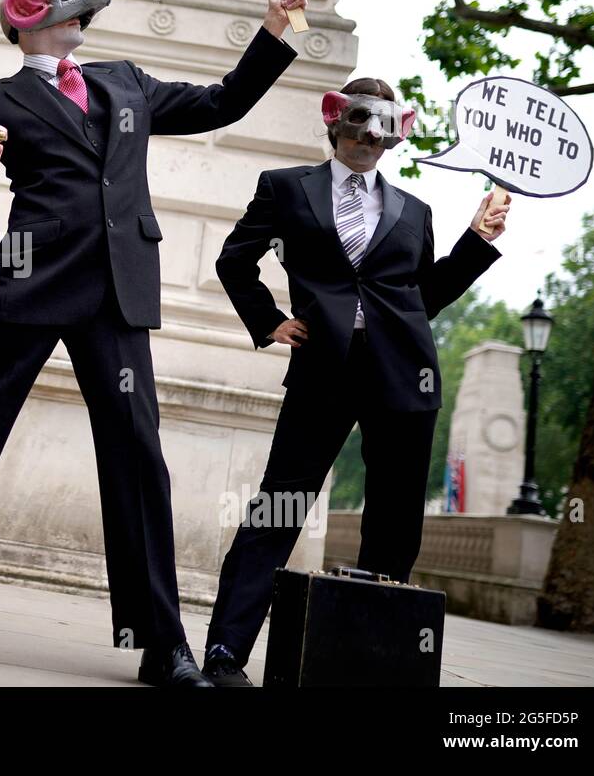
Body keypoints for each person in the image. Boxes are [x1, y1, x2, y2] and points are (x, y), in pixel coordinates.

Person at [0, 0, 308, 687]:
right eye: (61, 11)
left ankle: (163, 641)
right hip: (31, 287)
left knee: (138, 461)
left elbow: (222, 103)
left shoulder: (125, 80)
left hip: (118, 293)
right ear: (26, 26)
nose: (78, 19)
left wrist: (275, 28)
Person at [201, 78, 510, 686]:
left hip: (404, 373)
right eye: (361, 122)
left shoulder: (414, 212)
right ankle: (225, 653)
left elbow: (424, 299)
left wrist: (475, 242)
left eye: (384, 127)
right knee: (280, 507)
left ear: (398, 132)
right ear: (334, 120)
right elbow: (234, 261)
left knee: (395, 521)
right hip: (323, 366)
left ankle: (370, 665)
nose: (372, 137)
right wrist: (269, 322)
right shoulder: (285, 188)